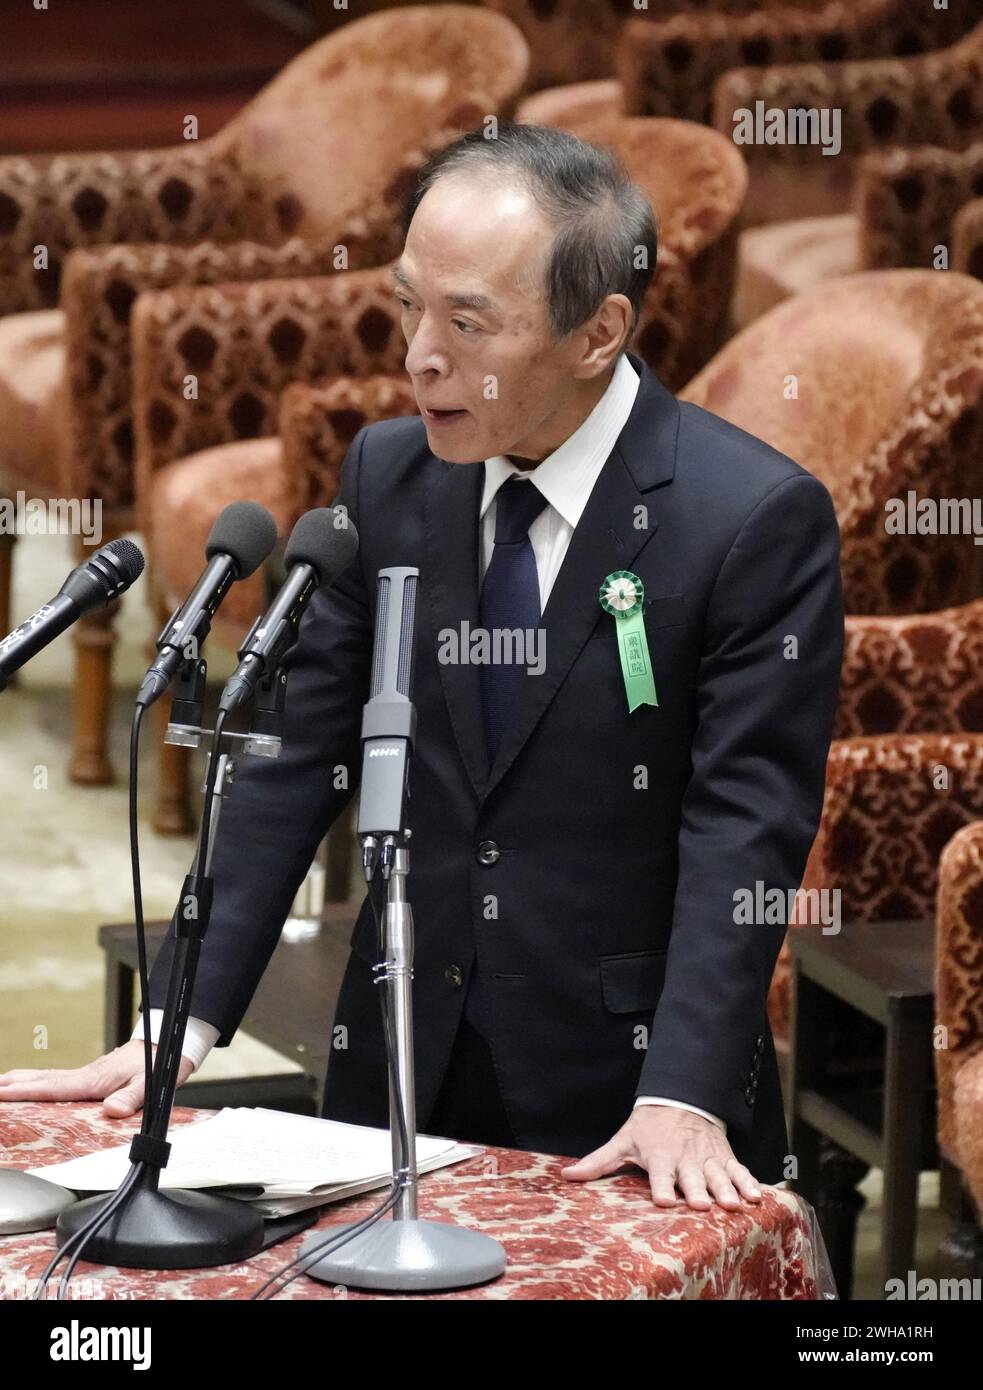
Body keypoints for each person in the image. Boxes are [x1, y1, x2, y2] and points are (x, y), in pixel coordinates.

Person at [0, 123, 844, 1212]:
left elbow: (745, 824)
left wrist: (680, 1086)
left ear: (598, 334)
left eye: (467, 321)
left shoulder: (748, 521)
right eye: (407, 305)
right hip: (396, 1076)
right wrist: (177, 1022)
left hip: (626, 1103)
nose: (419, 356)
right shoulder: (392, 475)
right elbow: (296, 759)